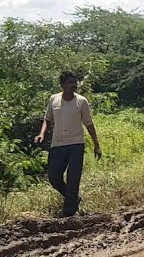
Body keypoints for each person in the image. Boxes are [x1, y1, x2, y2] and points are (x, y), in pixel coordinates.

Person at [34, 71, 102, 217]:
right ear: (62, 85)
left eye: (75, 82)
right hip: (57, 144)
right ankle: (73, 198)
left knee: (73, 178)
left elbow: (89, 124)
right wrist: (42, 133)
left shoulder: (81, 101)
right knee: (54, 177)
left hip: (76, 144)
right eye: (70, 82)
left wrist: (96, 144)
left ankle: (69, 213)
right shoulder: (54, 99)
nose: (74, 85)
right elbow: (48, 118)